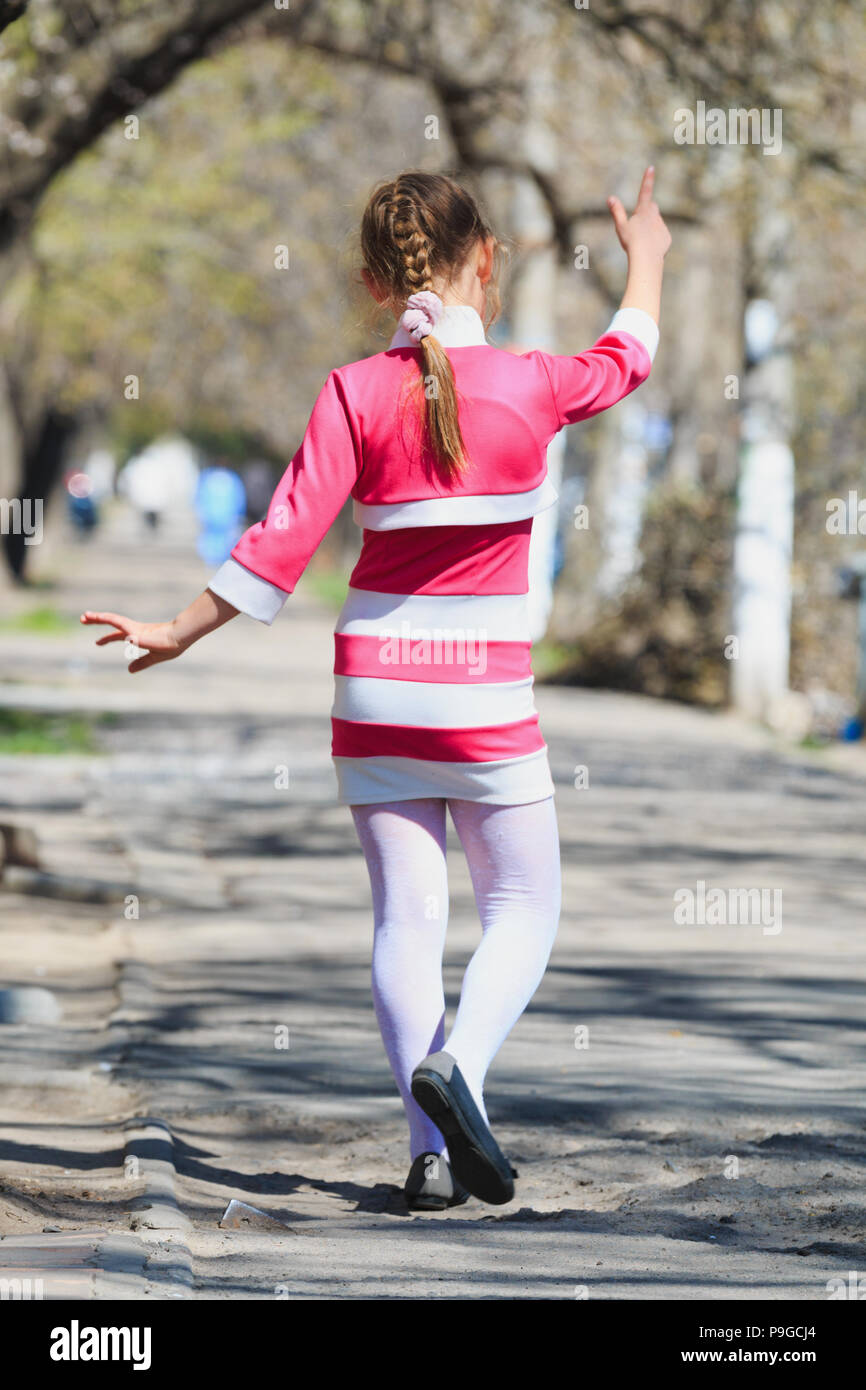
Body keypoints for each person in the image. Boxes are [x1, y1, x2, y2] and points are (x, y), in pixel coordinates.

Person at [81, 167, 671, 1211]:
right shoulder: (534, 382)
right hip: (483, 699)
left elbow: (278, 544)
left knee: (407, 920)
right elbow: (626, 358)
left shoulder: (352, 393)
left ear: (370, 282)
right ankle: (465, 1073)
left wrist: (175, 630)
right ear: (486, 262)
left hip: (374, 698)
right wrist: (650, 257)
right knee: (523, 905)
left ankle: (430, 1154)